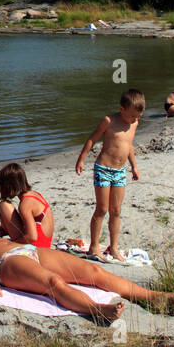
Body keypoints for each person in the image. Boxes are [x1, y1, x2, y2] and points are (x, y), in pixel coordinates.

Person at [0, 227, 174, 324]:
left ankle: (155, 297)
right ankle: (97, 310)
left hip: (30, 251)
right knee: (54, 283)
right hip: (7, 264)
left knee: (94, 272)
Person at [74, 89, 143, 263]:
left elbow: (129, 146)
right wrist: (81, 159)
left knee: (116, 210)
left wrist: (134, 166)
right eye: (132, 116)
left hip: (120, 171)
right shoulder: (109, 121)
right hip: (103, 169)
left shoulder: (134, 124)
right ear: (121, 109)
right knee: (102, 209)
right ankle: (94, 247)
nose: (135, 119)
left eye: (138, 116)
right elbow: (92, 139)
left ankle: (114, 248)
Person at [0, 163, 53, 248]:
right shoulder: (35, 195)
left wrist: (11, 243)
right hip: (45, 245)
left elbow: (32, 237)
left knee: (4, 205)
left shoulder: (25, 204)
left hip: (36, 247)